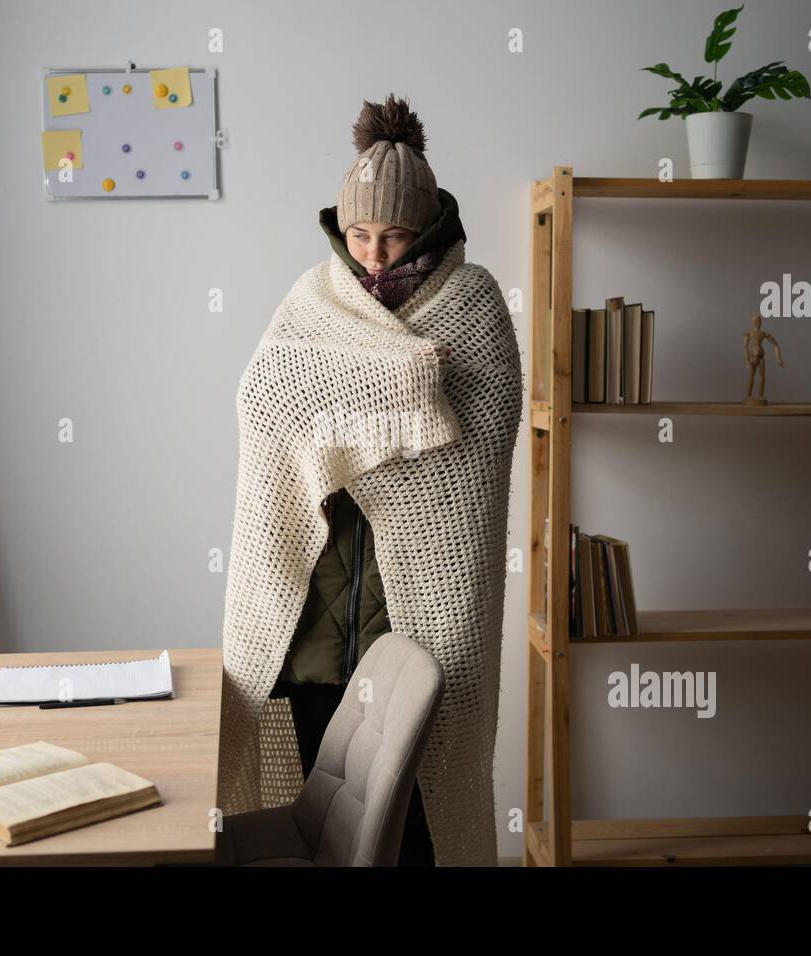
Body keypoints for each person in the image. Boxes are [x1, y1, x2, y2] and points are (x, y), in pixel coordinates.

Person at [219, 92, 521, 867]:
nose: (375, 255)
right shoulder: (310, 302)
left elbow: (477, 440)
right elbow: (265, 399)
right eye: (359, 235)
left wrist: (365, 402)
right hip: (316, 619)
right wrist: (401, 388)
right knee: (330, 828)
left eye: (392, 236)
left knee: (417, 825)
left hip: (420, 618)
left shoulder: (475, 301)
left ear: (427, 228)